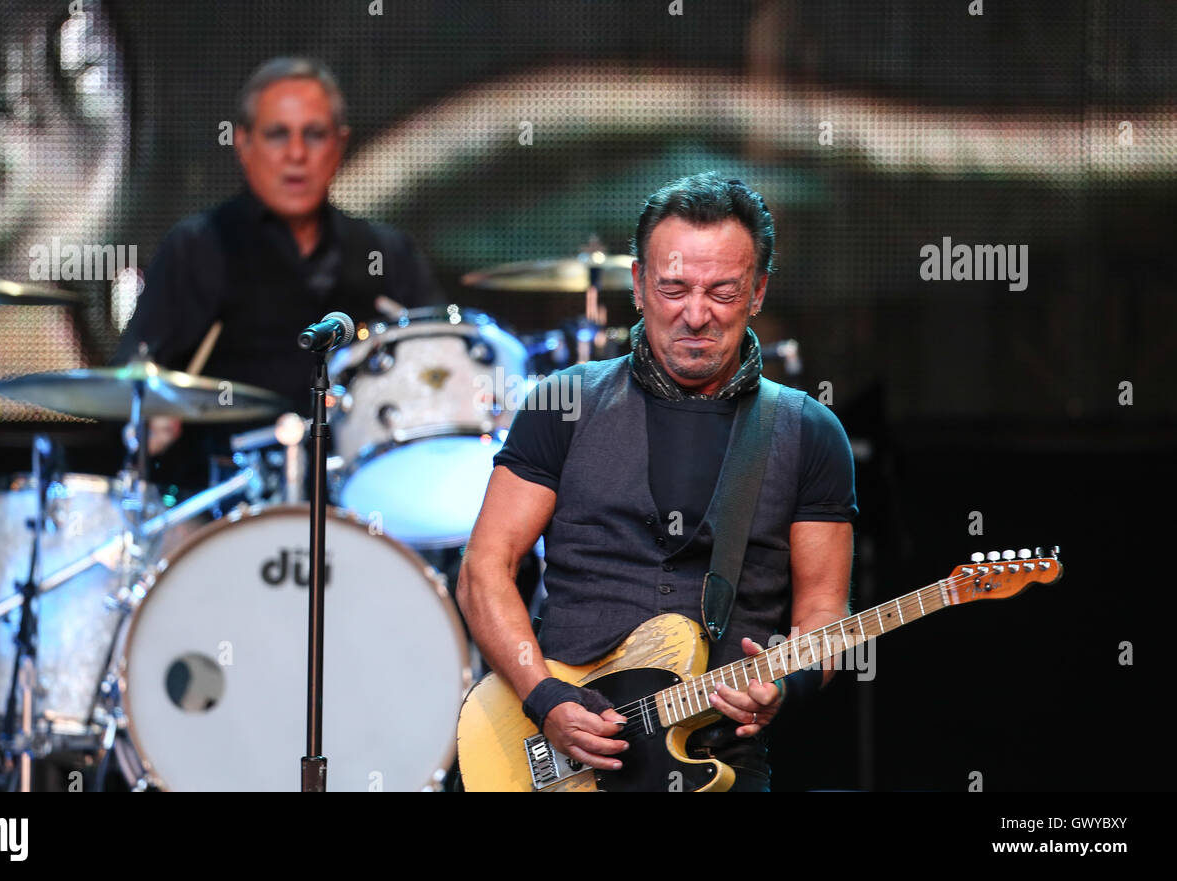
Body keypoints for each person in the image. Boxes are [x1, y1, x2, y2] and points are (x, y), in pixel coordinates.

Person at [456, 172, 857, 791]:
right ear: (639, 286)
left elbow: (825, 614)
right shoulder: (565, 402)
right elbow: (485, 566)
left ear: (757, 291)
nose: (695, 314)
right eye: (673, 288)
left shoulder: (808, 431)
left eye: (722, 290)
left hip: (718, 758)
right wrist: (543, 696)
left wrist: (784, 685)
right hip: (553, 741)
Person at [113, 57, 438, 486]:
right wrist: (146, 418)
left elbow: (441, 365)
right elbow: (131, 380)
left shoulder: (387, 252)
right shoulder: (197, 247)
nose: (297, 154)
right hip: (224, 502)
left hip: (366, 499)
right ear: (243, 143)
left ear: (340, 144)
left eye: (315, 135)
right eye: (277, 135)